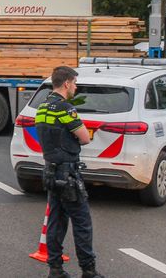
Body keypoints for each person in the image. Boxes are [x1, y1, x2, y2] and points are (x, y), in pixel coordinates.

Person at [35, 66, 103, 278]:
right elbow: (85, 137)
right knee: (82, 223)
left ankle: (55, 269)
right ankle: (88, 270)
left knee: (56, 222)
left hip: (50, 171)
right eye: (74, 83)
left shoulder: (42, 107)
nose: (75, 87)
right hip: (68, 173)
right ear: (66, 83)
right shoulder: (65, 109)